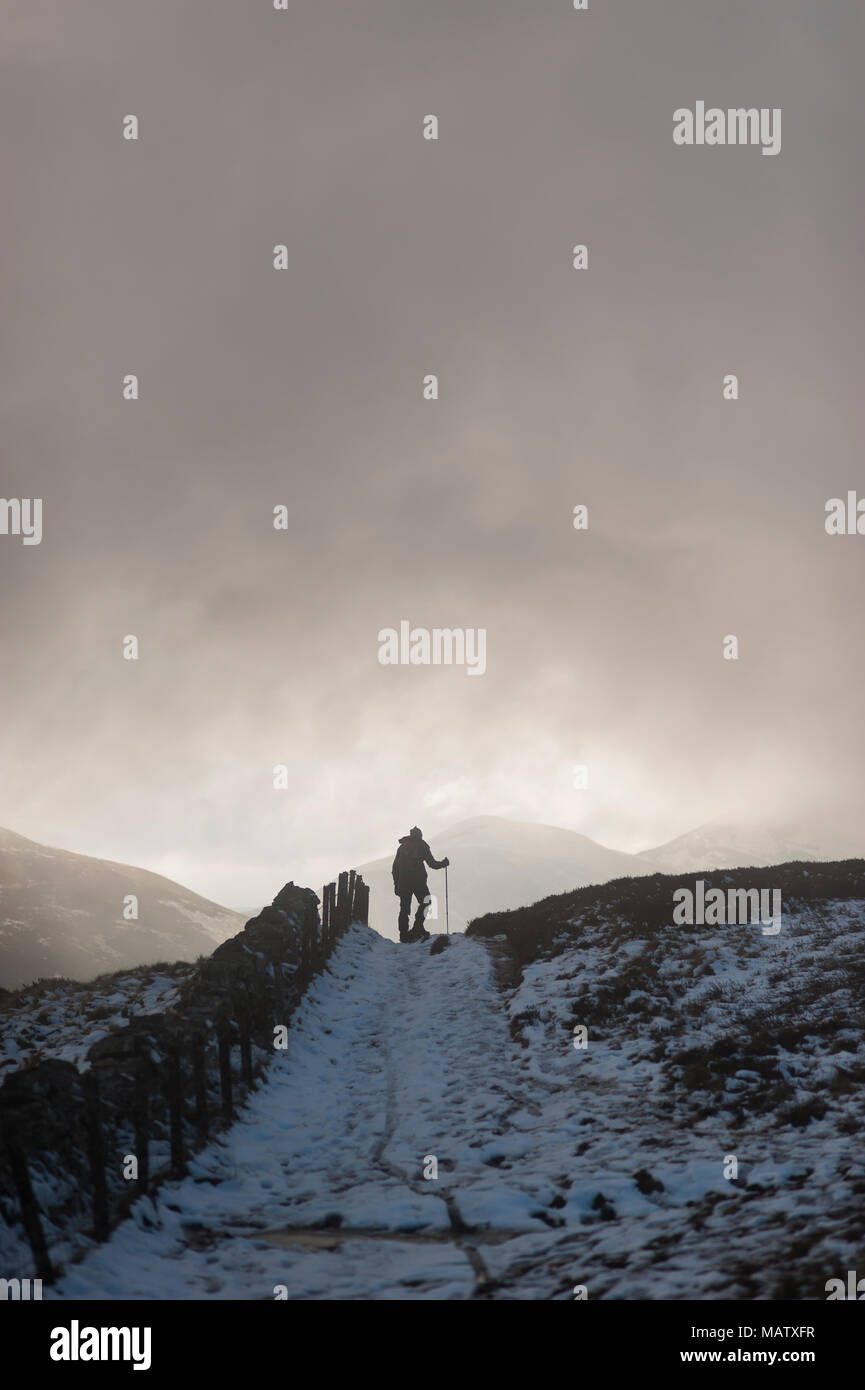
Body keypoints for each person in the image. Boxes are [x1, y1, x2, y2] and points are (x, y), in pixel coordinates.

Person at [392, 826, 449, 942]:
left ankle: (403, 935)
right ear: (420, 835)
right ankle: (418, 927)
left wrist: (396, 884)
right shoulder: (422, 846)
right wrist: (444, 863)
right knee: (427, 901)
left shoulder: (402, 847)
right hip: (418, 882)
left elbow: (395, 867)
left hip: (403, 882)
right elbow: (432, 864)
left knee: (404, 908)